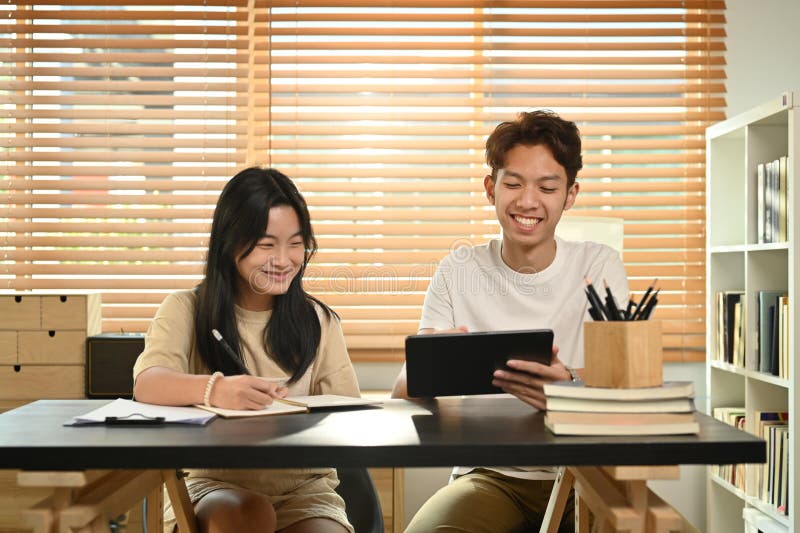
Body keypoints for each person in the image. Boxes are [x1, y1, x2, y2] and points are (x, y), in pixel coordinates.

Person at [391, 110, 629, 532]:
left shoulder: (600, 264)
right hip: (488, 475)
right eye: (514, 183)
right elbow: (408, 389)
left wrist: (568, 386)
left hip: (584, 472)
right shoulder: (457, 269)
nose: (527, 201)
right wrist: (430, 368)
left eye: (547, 187)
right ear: (491, 188)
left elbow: (626, 380)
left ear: (570, 194)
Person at [133, 167, 359, 533]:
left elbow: (348, 416)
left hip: (304, 491)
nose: (284, 260)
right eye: (267, 245)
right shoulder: (185, 308)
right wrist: (217, 390)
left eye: (296, 243)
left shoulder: (319, 321)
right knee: (249, 515)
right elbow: (148, 384)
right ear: (230, 242)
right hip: (213, 486)